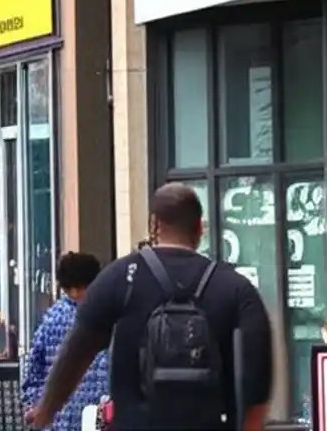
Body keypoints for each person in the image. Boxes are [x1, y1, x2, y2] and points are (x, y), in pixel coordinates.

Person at [27, 183, 274, 431]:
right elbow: (257, 378)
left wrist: (44, 413)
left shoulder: (119, 278)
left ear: (153, 224)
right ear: (200, 227)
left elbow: (76, 353)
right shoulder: (235, 287)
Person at [22, 252, 108, 431]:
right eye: (70, 288)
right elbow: (34, 369)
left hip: (76, 418)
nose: (76, 293)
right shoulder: (109, 315)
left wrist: (35, 404)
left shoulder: (52, 318)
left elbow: (32, 370)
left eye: (80, 287)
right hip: (83, 418)